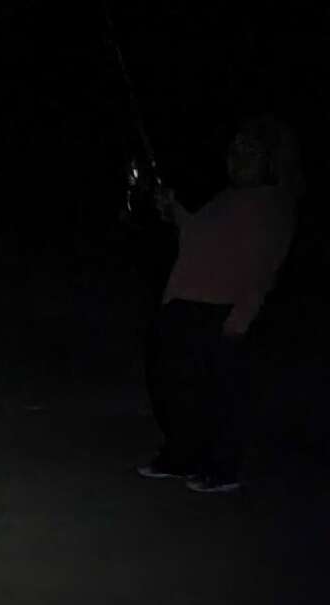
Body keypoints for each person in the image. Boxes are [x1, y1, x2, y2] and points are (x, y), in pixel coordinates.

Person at [138, 115, 301, 496]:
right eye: (234, 149)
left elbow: (264, 270)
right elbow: (195, 235)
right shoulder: (226, 197)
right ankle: (180, 456)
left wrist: (240, 319)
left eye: (248, 150)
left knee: (216, 397)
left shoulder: (273, 204)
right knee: (171, 389)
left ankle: (222, 468)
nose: (237, 157)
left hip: (219, 312)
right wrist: (173, 207)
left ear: (270, 159)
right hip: (182, 303)